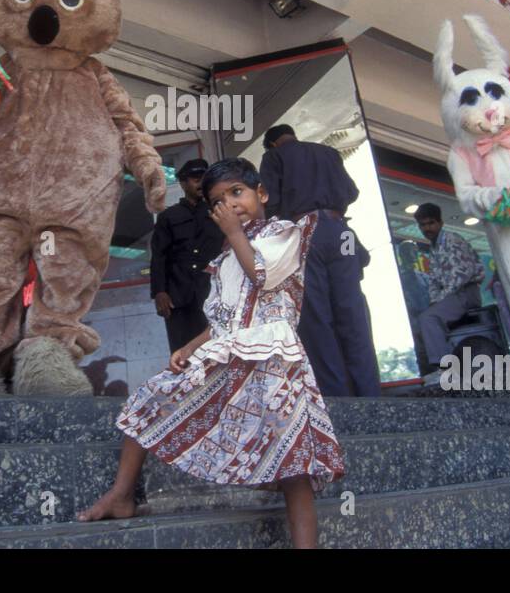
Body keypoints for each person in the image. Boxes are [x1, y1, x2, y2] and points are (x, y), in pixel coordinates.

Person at [77, 158, 346, 548]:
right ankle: (121, 495)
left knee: (292, 459)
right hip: (228, 353)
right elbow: (222, 318)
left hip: (274, 363)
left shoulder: (284, 233)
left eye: (237, 192)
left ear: (262, 194)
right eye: (218, 201)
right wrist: (188, 346)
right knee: (147, 402)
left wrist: (235, 234)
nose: (230, 204)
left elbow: (263, 275)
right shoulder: (223, 259)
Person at [259, 124, 381, 397]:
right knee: (353, 311)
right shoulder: (328, 152)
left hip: (306, 232)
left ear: (272, 144)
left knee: (317, 318)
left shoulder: (274, 158)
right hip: (342, 232)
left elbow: (271, 202)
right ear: (293, 135)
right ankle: (371, 393)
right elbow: (351, 192)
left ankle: (338, 397)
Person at [149, 158, 226, 353]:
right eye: (195, 179)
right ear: (183, 183)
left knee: (218, 349)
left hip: (216, 293)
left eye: (204, 178)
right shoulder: (169, 216)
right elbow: (159, 256)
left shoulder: (220, 212)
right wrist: (159, 292)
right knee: (182, 351)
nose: (200, 183)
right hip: (179, 296)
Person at [410, 203, 485, 378]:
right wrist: (435, 300)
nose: (427, 228)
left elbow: (461, 275)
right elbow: (435, 280)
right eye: (422, 225)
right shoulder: (434, 247)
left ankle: (446, 368)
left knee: (429, 318)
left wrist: (440, 300)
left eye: (430, 223)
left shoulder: (453, 240)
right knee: (421, 318)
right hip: (452, 295)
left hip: (465, 292)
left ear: (440, 222)